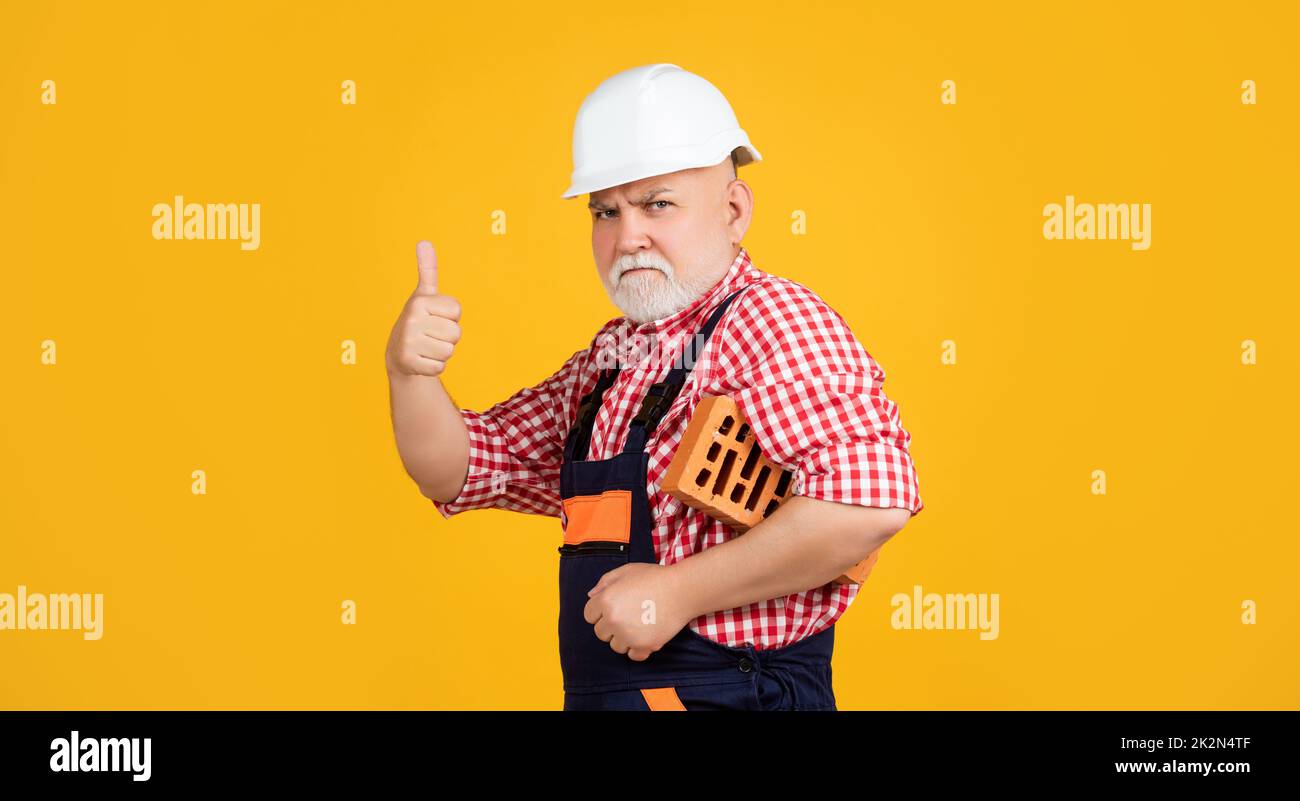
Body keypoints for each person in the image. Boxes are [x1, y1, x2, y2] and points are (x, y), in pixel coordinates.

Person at [386, 63, 923, 710]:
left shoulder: (768, 321)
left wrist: (676, 592)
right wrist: (410, 374)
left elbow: (870, 502)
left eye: (657, 204)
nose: (627, 236)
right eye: (605, 211)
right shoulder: (609, 364)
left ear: (733, 210)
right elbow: (464, 468)